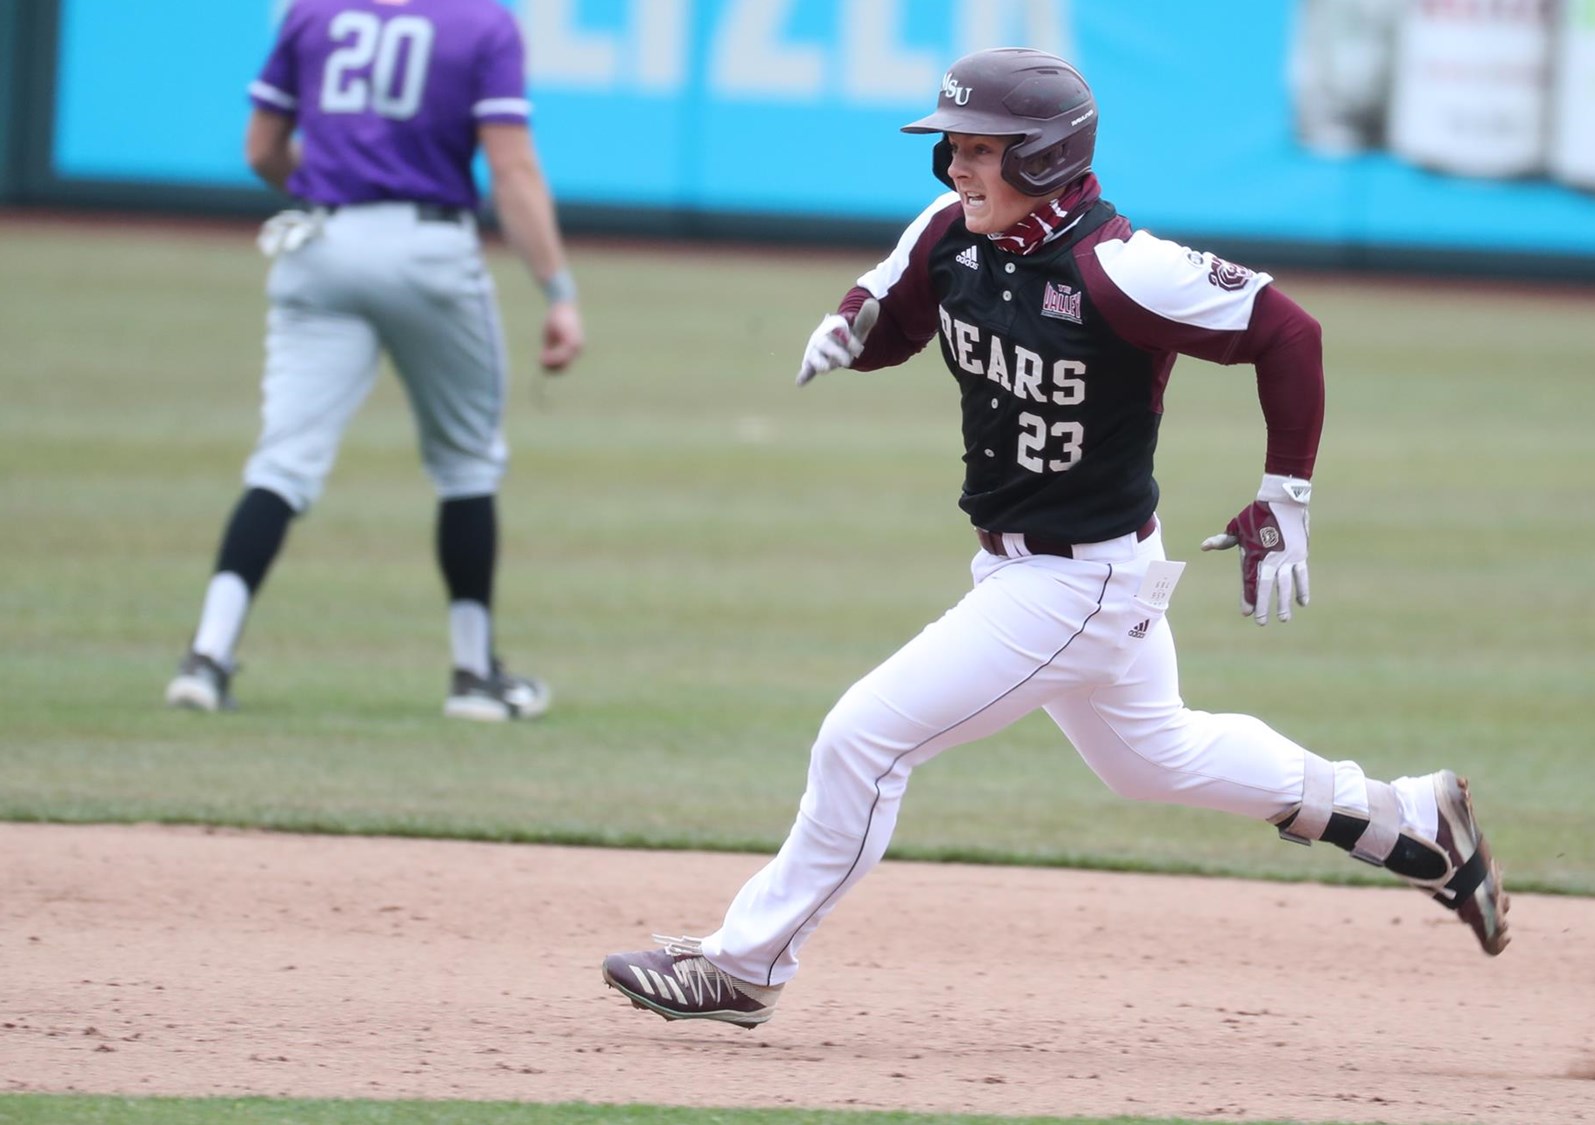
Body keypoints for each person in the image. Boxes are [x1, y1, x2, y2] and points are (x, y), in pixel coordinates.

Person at [602, 47, 1509, 1029]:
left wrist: (1284, 491)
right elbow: (890, 317)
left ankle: (745, 966)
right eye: (952, 145)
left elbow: (1288, 333)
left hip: (1077, 587)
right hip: (1048, 569)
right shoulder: (951, 233)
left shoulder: (1121, 268)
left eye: (980, 148)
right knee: (1153, 758)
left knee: (862, 739)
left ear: (1044, 157)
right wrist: (849, 328)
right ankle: (1408, 818)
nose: (956, 166)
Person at [164, 0, 584, 721]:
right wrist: (558, 291)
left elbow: (262, 149)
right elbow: (512, 170)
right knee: (467, 464)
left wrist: (338, 191)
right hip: (428, 248)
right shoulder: (481, 22)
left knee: (282, 464)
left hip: (322, 242)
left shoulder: (314, 11)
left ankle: (206, 655)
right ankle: (472, 673)